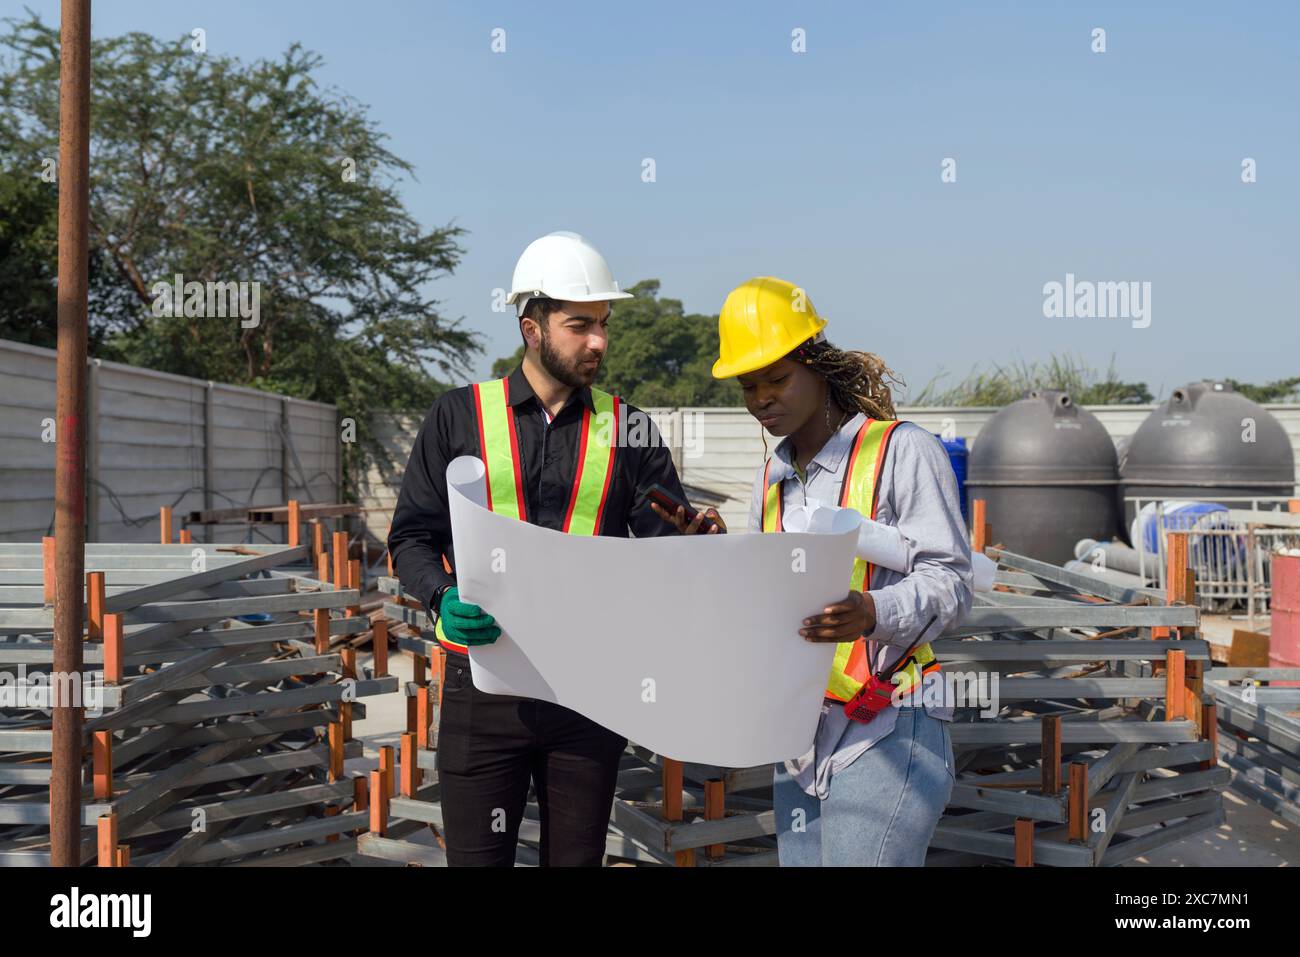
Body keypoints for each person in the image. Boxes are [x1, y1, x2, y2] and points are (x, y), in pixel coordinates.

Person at [387, 231, 718, 866]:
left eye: (603, 324)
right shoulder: (457, 417)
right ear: (531, 327)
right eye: (579, 325)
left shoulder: (632, 429)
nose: (598, 341)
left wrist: (693, 545)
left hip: (590, 694)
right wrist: (440, 594)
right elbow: (411, 537)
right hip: (483, 689)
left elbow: (663, 550)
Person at [713, 276, 971, 866]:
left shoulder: (903, 451)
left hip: (889, 723)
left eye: (777, 379)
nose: (761, 399)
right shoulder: (768, 481)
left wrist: (873, 612)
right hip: (802, 735)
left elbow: (954, 586)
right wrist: (712, 552)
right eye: (749, 386)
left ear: (817, 365)